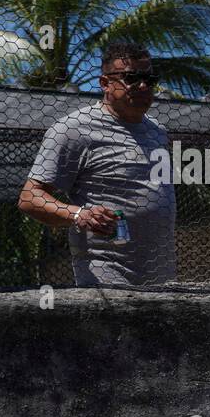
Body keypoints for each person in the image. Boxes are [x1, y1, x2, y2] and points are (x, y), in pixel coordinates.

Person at [17, 41, 175, 286]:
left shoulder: (158, 132)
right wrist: (80, 214)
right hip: (108, 277)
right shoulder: (74, 129)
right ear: (104, 83)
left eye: (149, 79)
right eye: (131, 78)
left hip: (161, 275)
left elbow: (158, 195)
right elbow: (30, 197)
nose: (143, 86)